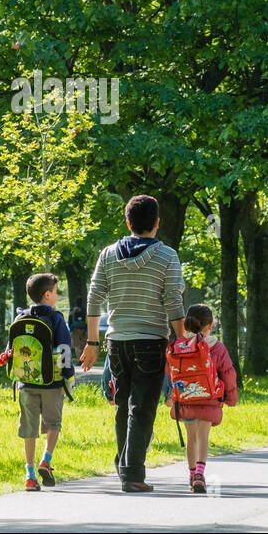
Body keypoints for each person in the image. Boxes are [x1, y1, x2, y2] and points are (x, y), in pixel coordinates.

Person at [80, 194, 186, 493]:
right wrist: (183, 342)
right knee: (143, 408)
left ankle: (124, 465)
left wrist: (92, 342)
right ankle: (133, 474)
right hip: (151, 341)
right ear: (157, 223)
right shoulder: (167, 256)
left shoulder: (108, 254)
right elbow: (174, 303)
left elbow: (93, 298)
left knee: (123, 404)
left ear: (128, 222)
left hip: (117, 341)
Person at [6, 273, 74, 490]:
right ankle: (47, 459)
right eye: (55, 292)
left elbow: (11, 349)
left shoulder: (20, 318)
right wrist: (69, 375)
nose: (57, 295)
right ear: (47, 295)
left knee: (29, 429)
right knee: (54, 423)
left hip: (25, 382)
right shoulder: (56, 319)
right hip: (52, 383)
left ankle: (29, 474)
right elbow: (64, 349)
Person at [165, 304, 238, 493]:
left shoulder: (178, 346)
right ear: (210, 325)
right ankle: (200, 473)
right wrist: (231, 397)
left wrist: (171, 395)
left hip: (186, 398)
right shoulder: (216, 346)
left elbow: (170, 371)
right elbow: (228, 373)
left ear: (187, 323)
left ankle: (191, 475)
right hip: (209, 398)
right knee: (203, 436)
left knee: (191, 438)